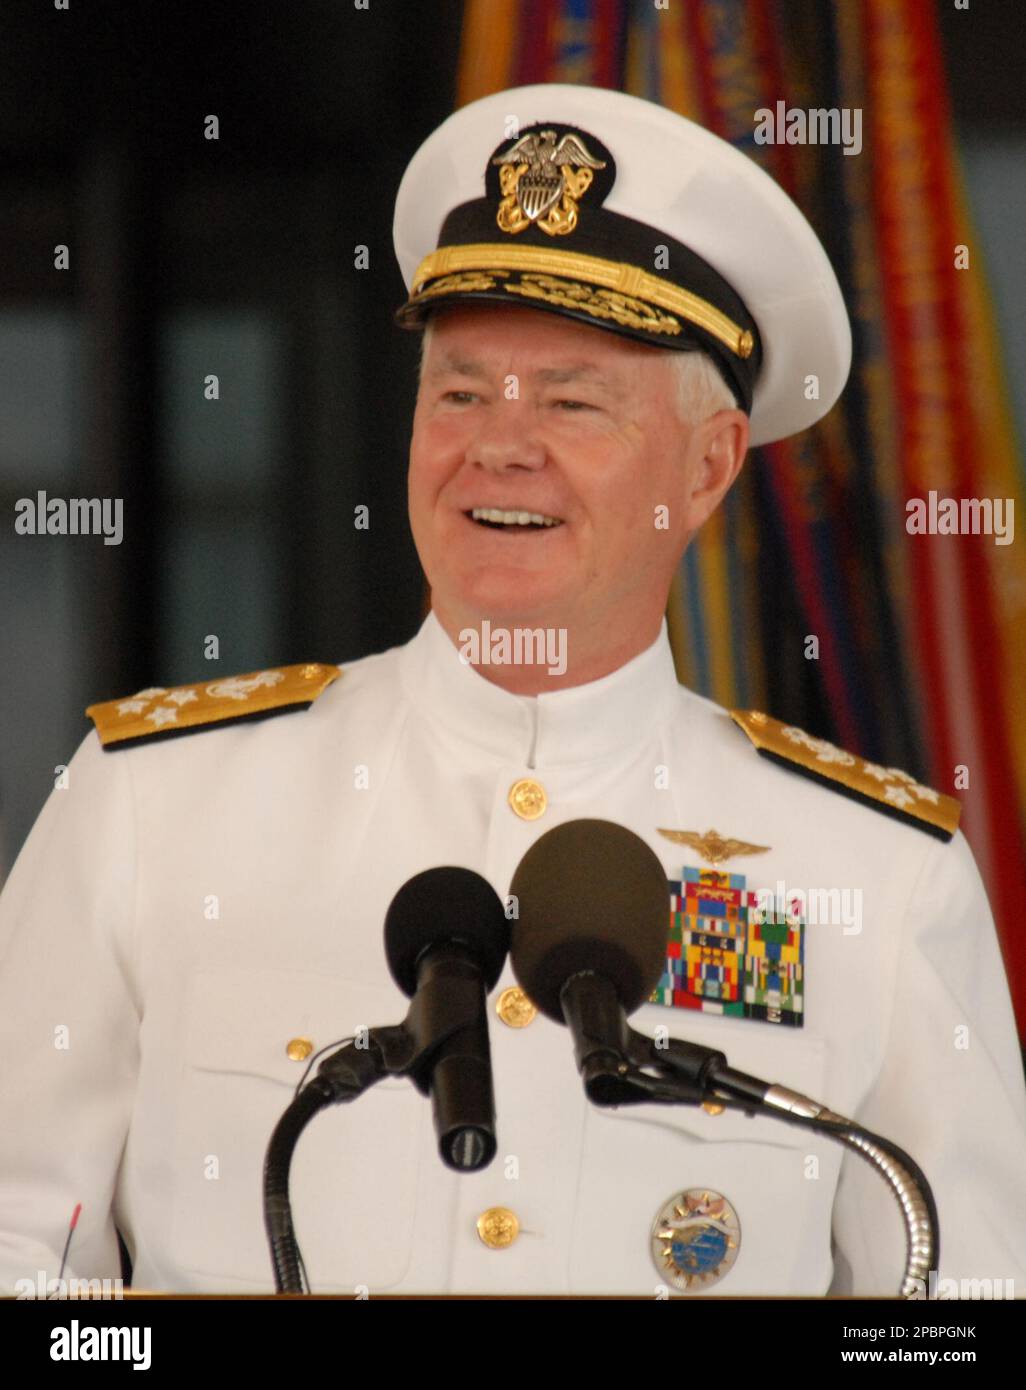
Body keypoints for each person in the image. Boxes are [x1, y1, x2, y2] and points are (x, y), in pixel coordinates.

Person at [1, 83, 1024, 1299]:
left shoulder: (876, 875)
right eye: (461, 390)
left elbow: (963, 1305)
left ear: (706, 467)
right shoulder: (153, 803)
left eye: (574, 400)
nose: (501, 441)